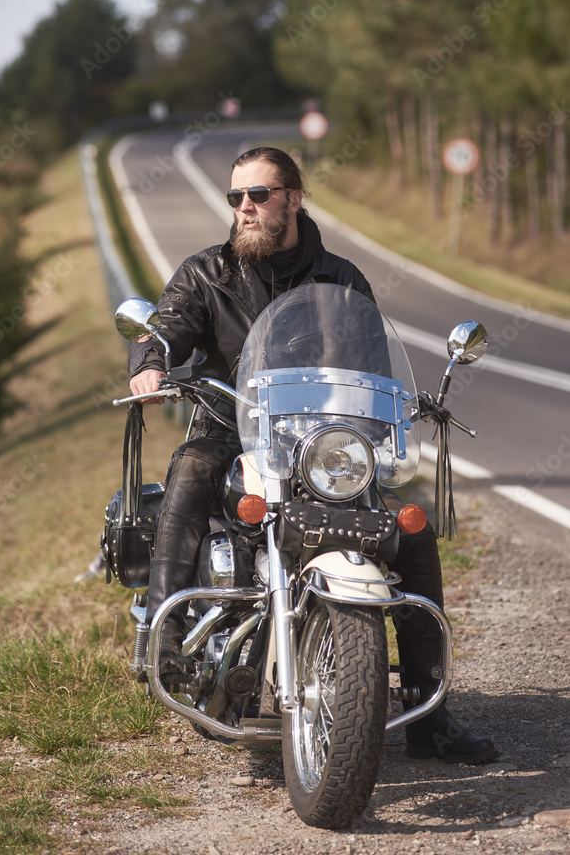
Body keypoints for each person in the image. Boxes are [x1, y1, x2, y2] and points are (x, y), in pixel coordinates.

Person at [128, 146, 498, 764]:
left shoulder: (342, 279)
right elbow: (165, 328)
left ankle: (429, 715)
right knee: (189, 470)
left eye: (259, 196)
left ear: (293, 200)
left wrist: (400, 407)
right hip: (233, 429)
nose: (244, 208)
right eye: (236, 198)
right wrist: (150, 362)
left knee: (409, 529)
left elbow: (374, 368)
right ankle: (161, 643)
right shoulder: (206, 274)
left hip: (324, 444)